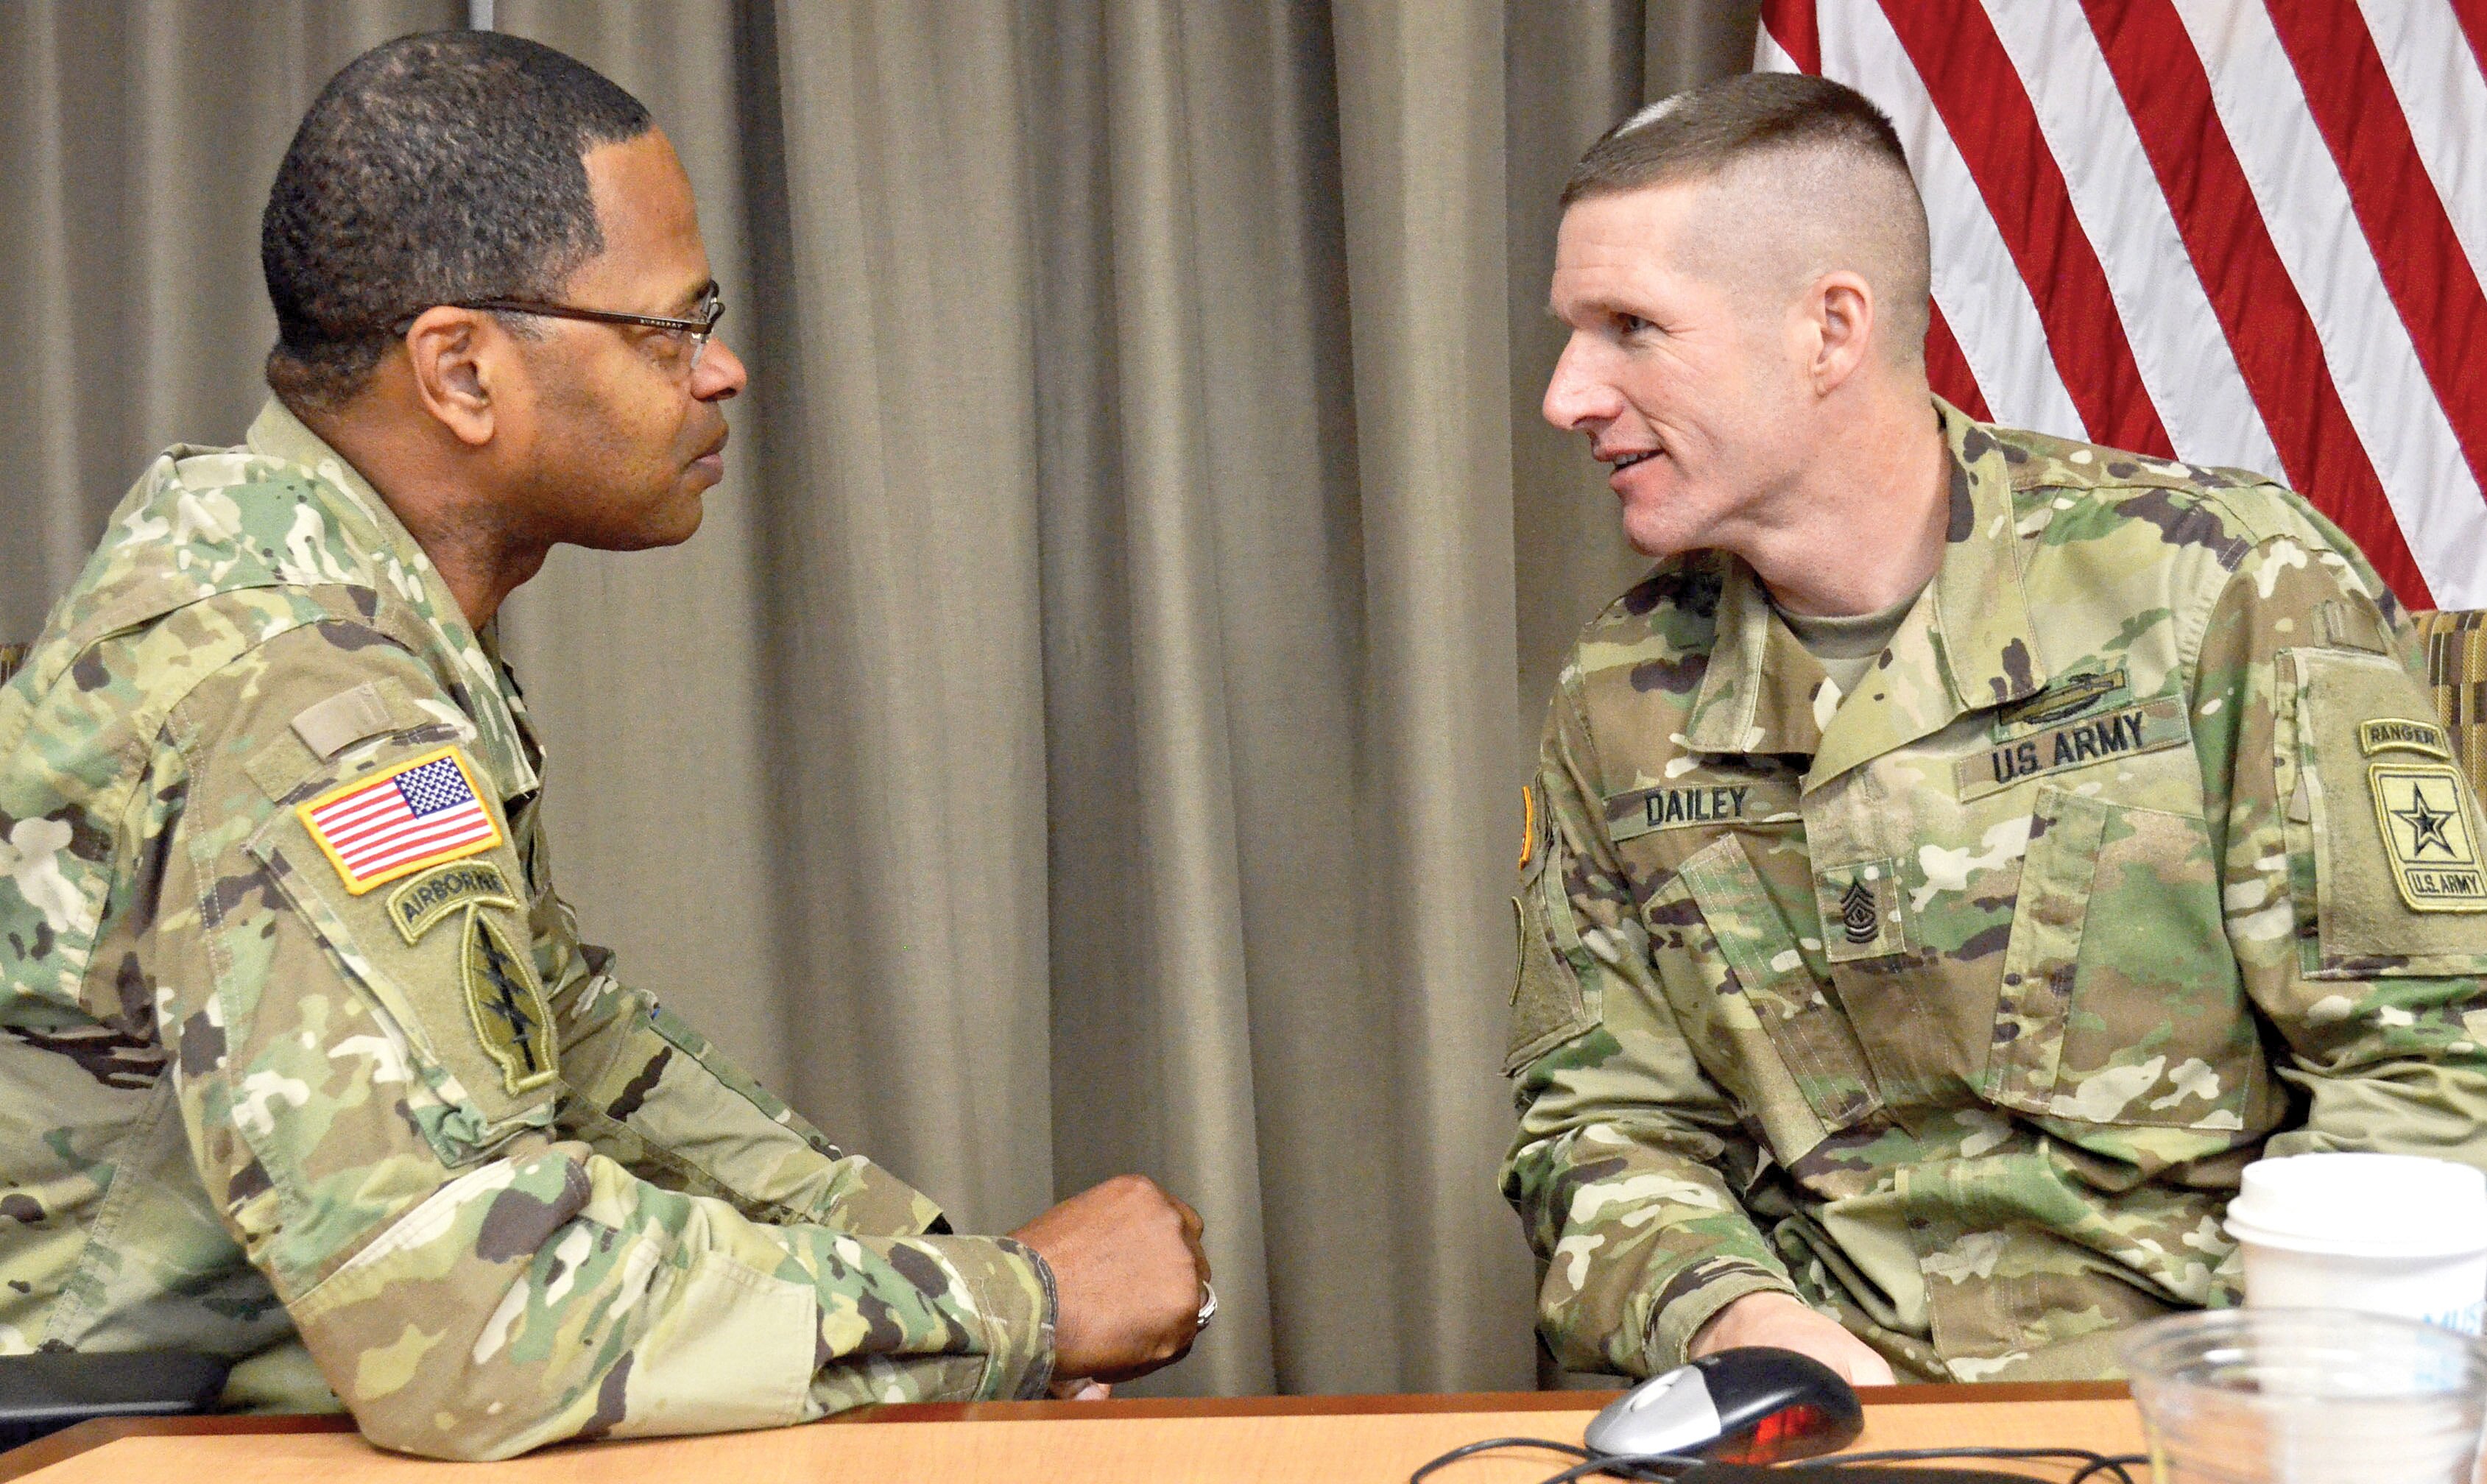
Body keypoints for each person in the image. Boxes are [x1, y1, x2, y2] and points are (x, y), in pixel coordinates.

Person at [0, 32, 1209, 1460]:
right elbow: (472, 1325)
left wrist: (942, 1266)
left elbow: (569, 1045)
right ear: (459, 372)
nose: (725, 371)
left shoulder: (311, 579)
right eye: (672, 329)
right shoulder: (309, 695)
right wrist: (1021, 1303)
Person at [1500, 72, 2487, 1388]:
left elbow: (2432, 1062)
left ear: (1829, 330)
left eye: (1630, 327)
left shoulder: (2215, 586)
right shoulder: (1623, 692)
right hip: (1824, 1433)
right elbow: (1600, 1128)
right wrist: (1742, 1328)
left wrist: (2242, 1386)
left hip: (2208, 1411)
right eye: (1575, 333)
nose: (1568, 393)